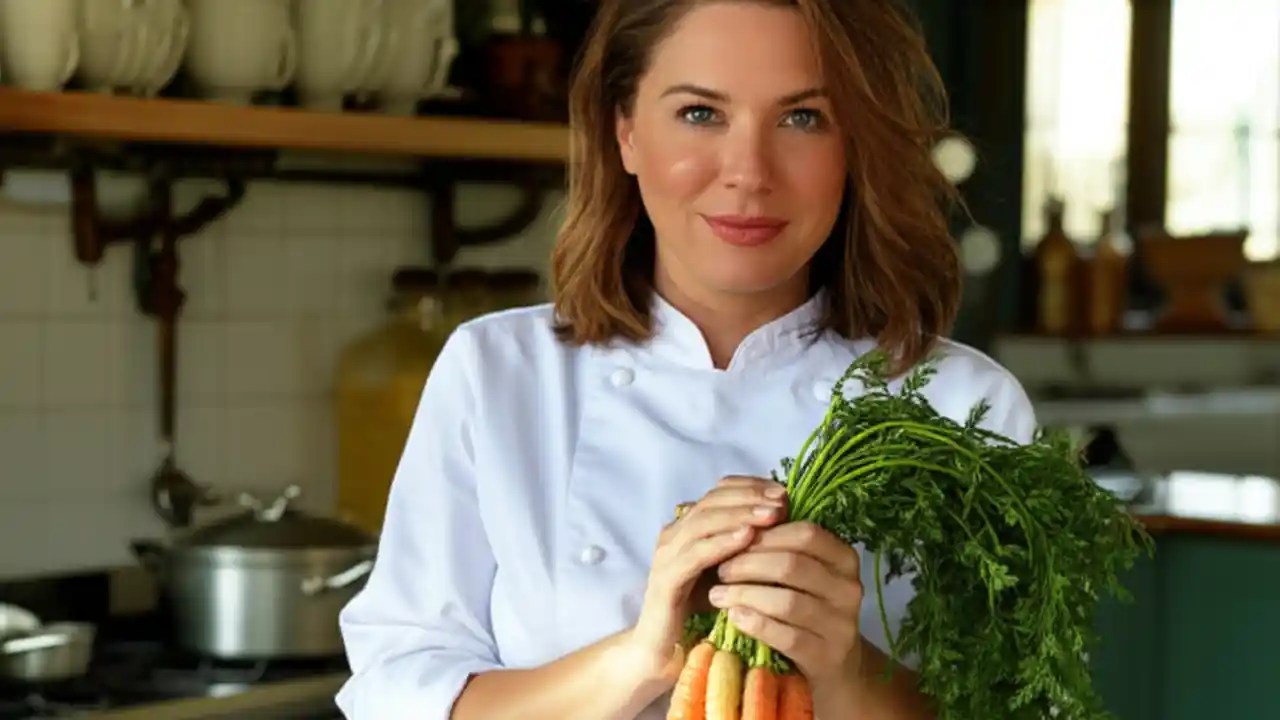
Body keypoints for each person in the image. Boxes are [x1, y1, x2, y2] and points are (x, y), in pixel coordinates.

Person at [335, 0, 1036, 718]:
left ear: (855, 146)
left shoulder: (964, 406)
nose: (748, 172)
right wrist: (640, 656)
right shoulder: (498, 373)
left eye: (802, 118)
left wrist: (849, 669)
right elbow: (398, 694)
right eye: (701, 113)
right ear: (626, 132)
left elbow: (1017, 706)